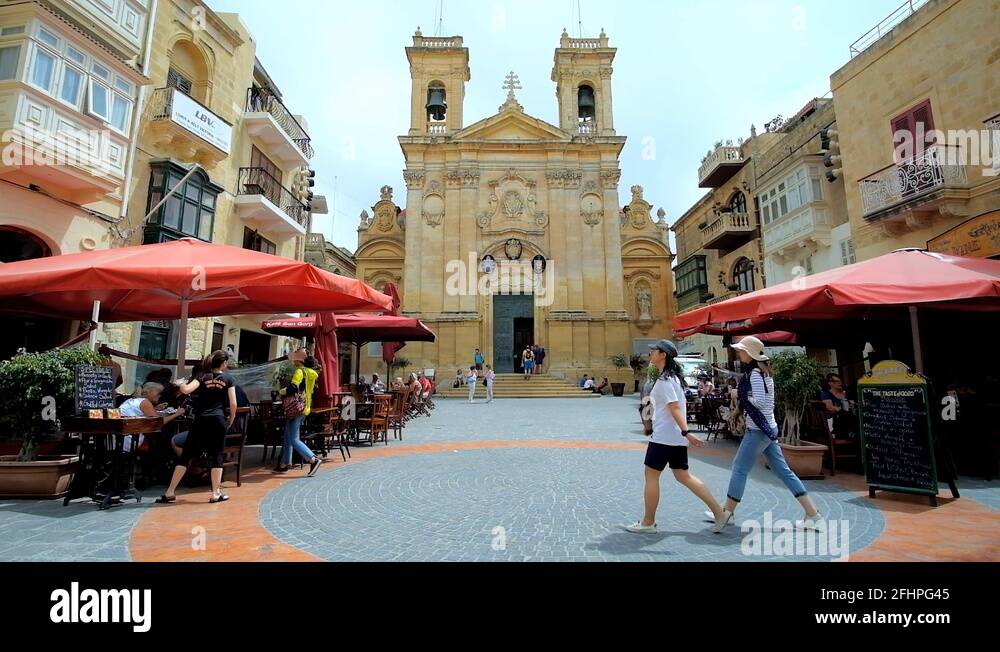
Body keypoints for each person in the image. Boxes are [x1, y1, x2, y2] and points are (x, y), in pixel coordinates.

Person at [711, 336, 824, 533]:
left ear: (750, 353)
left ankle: (726, 513)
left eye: (741, 350)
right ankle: (813, 513)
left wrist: (740, 395)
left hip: (759, 429)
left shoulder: (755, 373)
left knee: (739, 468)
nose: (739, 353)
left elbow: (762, 403)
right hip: (767, 428)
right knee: (783, 471)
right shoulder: (762, 372)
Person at [626, 340, 724, 533]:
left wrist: (687, 432)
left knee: (651, 475)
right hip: (674, 437)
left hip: (665, 436)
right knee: (683, 475)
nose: (650, 354)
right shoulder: (673, 378)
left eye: (653, 351)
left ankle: (648, 522)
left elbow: (674, 408)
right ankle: (719, 512)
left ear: (663, 355)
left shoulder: (665, 381)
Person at [157, 351, 237, 504]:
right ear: (224, 364)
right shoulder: (229, 379)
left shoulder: (202, 377)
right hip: (218, 420)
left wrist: (180, 383)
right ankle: (215, 493)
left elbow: (186, 390)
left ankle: (170, 492)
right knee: (217, 454)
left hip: (200, 420)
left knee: (187, 454)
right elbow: (233, 403)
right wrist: (232, 416)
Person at [273, 351, 324, 476]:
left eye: (294, 359)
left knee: (294, 439)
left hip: (295, 408)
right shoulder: (310, 373)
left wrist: (280, 391)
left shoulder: (300, 371)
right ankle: (284, 463)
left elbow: (293, 388)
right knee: (288, 435)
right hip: (304, 407)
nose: (293, 361)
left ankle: (312, 459)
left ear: (299, 361)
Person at [119, 382, 186, 452]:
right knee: (162, 440)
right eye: (159, 393)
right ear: (149, 392)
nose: (160, 396)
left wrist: (155, 409)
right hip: (131, 441)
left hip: (120, 439)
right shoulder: (145, 402)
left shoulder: (131, 400)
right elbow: (158, 423)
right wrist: (177, 414)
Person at [821, 373, 856, 438]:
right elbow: (829, 408)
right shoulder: (826, 394)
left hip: (849, 419)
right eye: (837, 381)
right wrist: (841, 408)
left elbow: (853, 404)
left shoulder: (846, 393)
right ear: (830, 383)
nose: (840, 383)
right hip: (835, 422)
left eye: (840, 381)